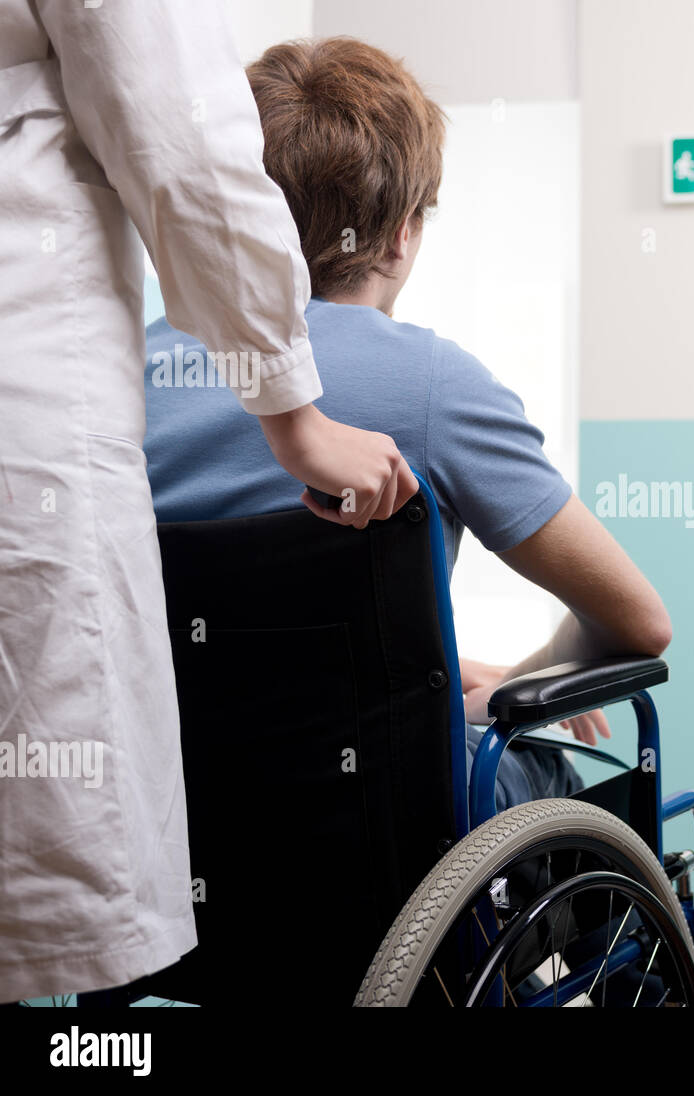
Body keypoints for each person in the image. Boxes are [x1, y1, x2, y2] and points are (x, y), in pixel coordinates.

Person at [0, 3, 418, 1003]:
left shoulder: (160, 375)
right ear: (401, 231)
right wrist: (293, 417)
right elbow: (178, 131)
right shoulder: (430, 386)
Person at [142, 37, 672, 808]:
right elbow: (637, 622)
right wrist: (515, 681)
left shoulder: (137, 372)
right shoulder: (432, 385)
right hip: (378, 837)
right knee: (552, 774)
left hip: (176, 821)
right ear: (400, 234)